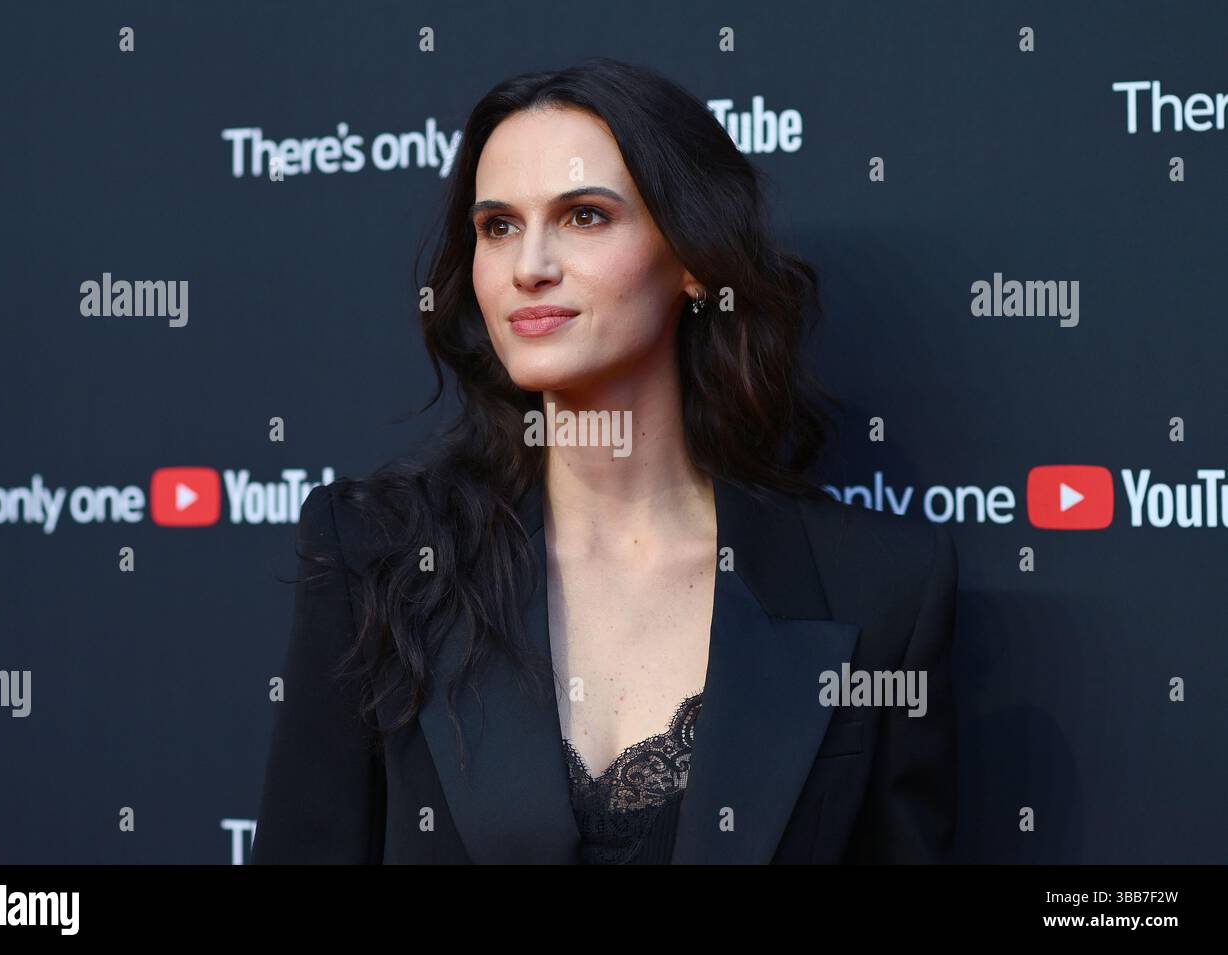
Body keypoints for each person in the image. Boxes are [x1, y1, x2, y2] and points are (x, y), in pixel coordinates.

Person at [251, 57, 958, 865]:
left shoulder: (881, 588)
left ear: (694, 258)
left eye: (585, 216)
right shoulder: (379, 552)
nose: (529, 267)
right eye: (498, 227)